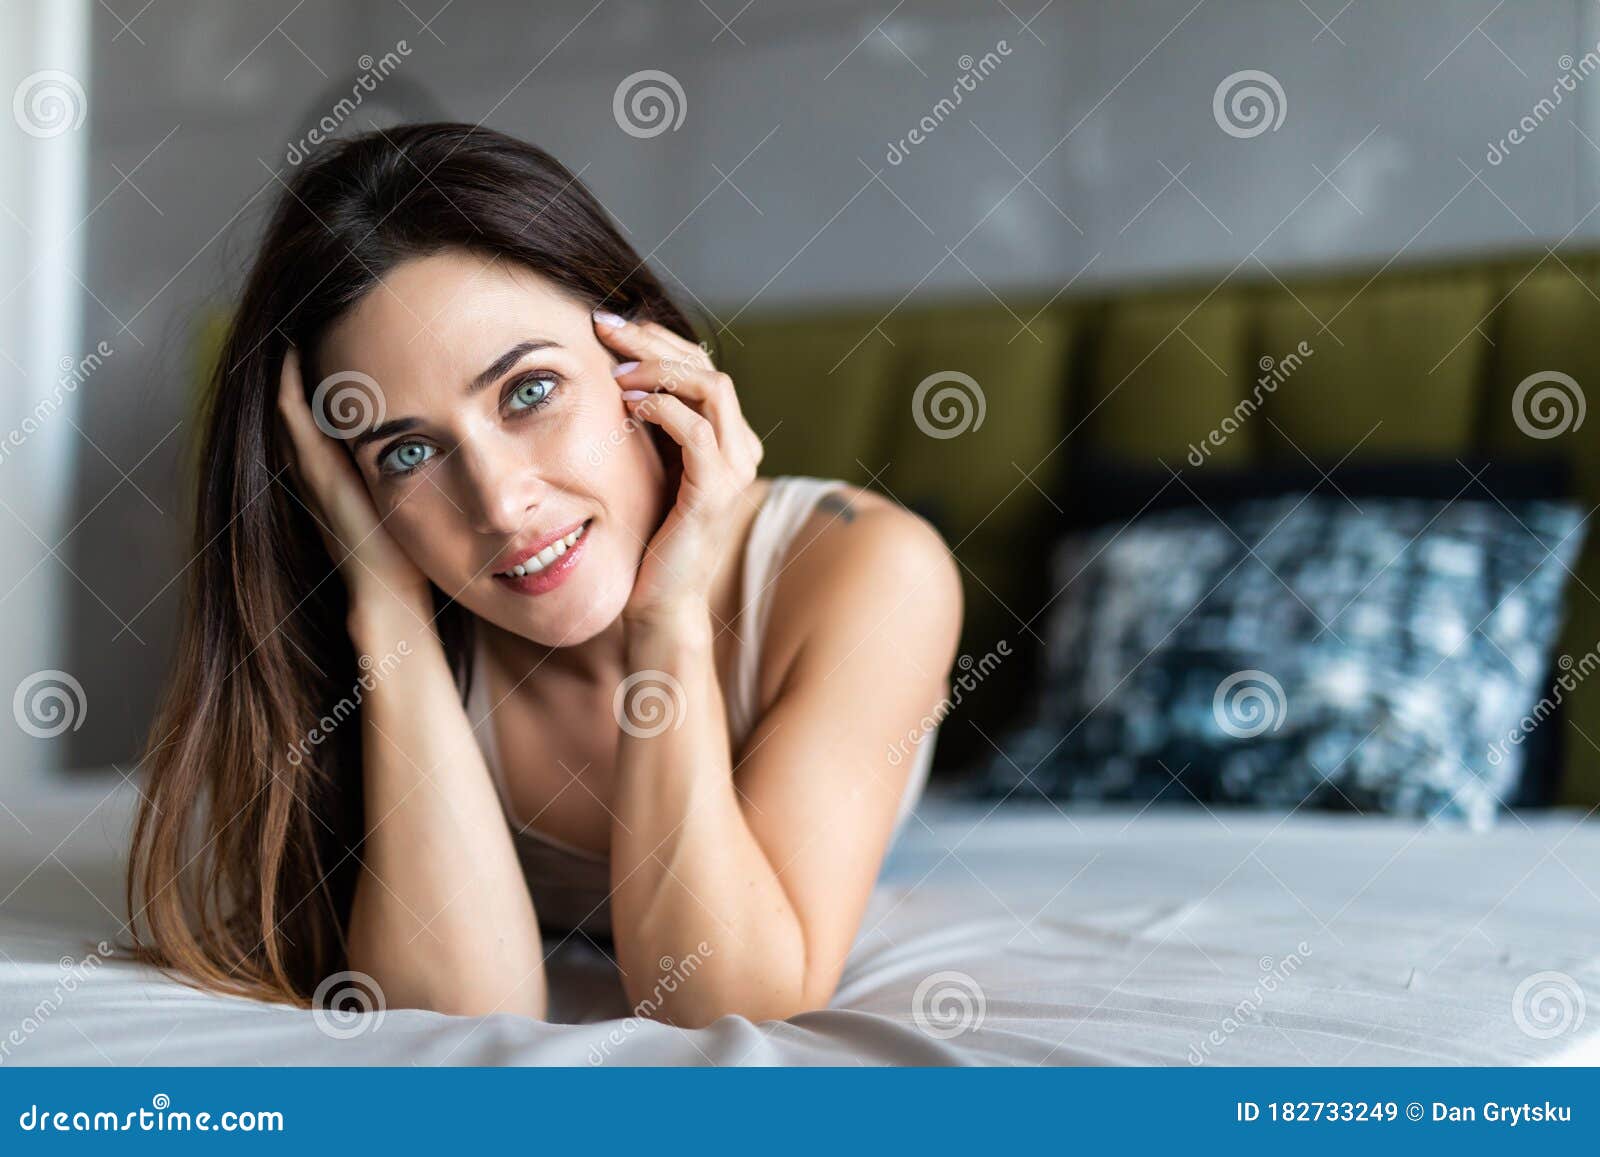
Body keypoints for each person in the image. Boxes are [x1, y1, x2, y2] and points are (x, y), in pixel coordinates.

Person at [127, 123, 962, 1027]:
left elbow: (725, 1001)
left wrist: (669, 621)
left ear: (643, 356)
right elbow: (454, 1016)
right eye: (408, 450)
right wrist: (390, 617)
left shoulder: (864, 567)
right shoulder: (367, 600)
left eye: (528, 391)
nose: (497, 503)